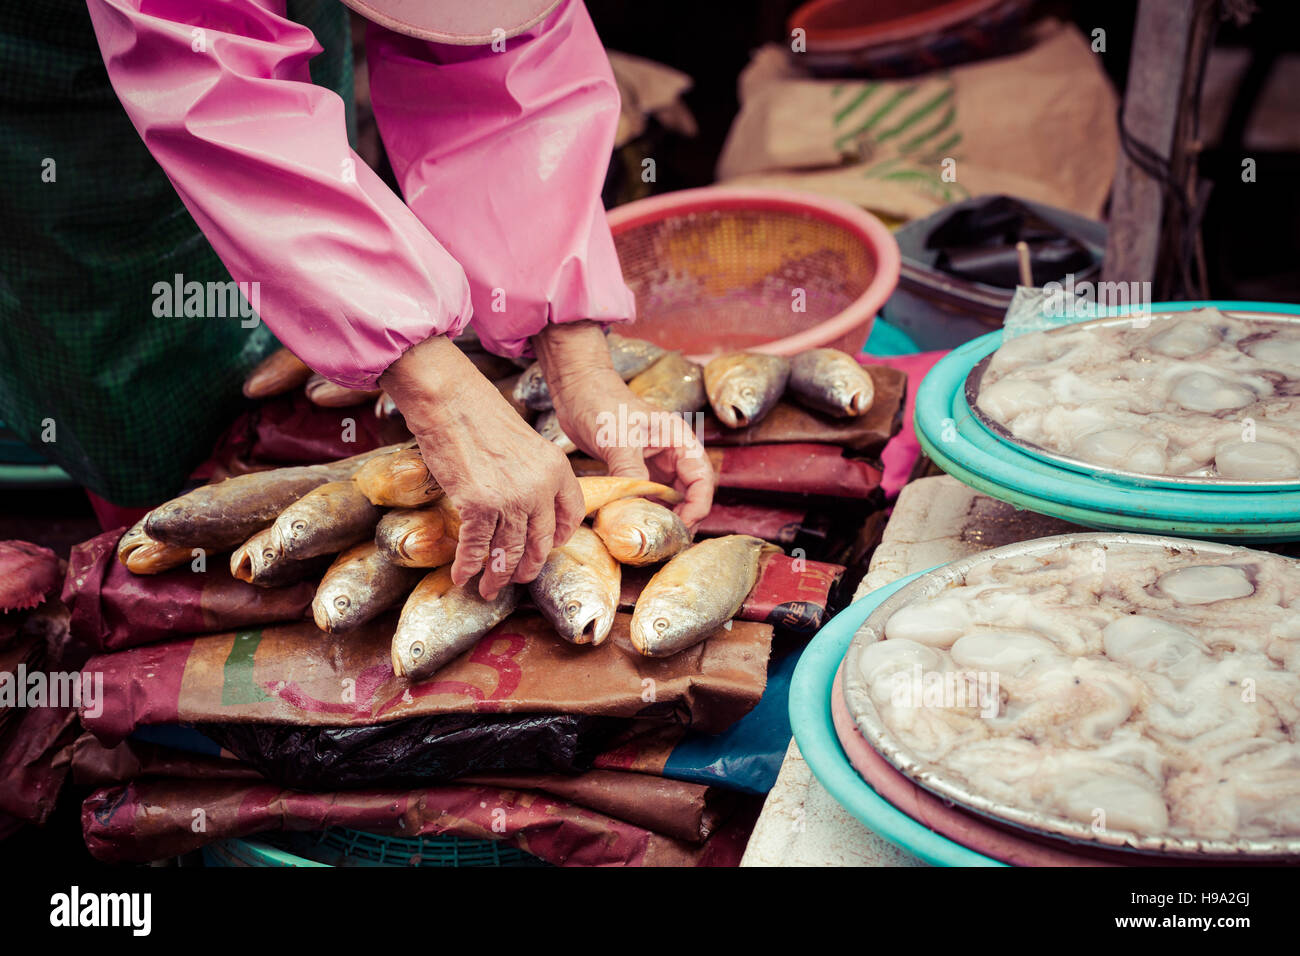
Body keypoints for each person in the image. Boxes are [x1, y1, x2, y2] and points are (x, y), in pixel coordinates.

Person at [83, 0, 713, 599]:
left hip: (277, 59)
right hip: (88, 96)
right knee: (135, 389)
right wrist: (442, 397)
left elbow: (496, 60)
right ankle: (131, 574)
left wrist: (578, 361)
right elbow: (214, 82)